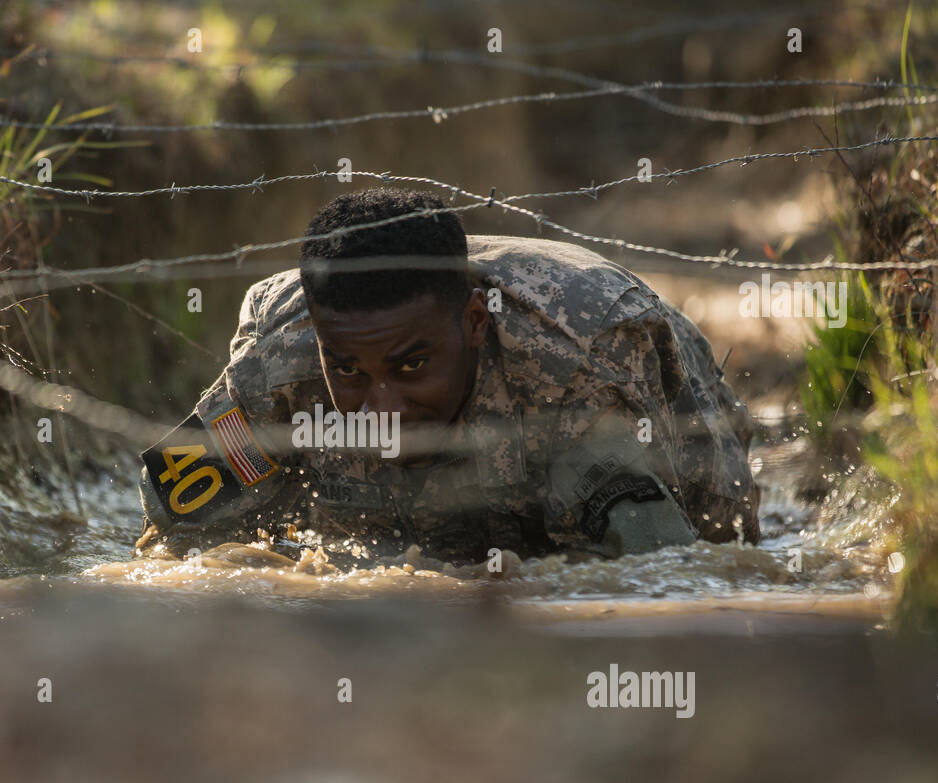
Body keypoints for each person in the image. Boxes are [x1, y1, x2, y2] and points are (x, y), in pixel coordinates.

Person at [135, 187, 760, 564]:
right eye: (348, 370)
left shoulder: (580, 371)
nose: (381, 407)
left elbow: (669, 582)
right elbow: (167, 555)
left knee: (720, 544)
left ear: (474, 323)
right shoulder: (274, 375)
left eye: (411, 366)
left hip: (648, 395)